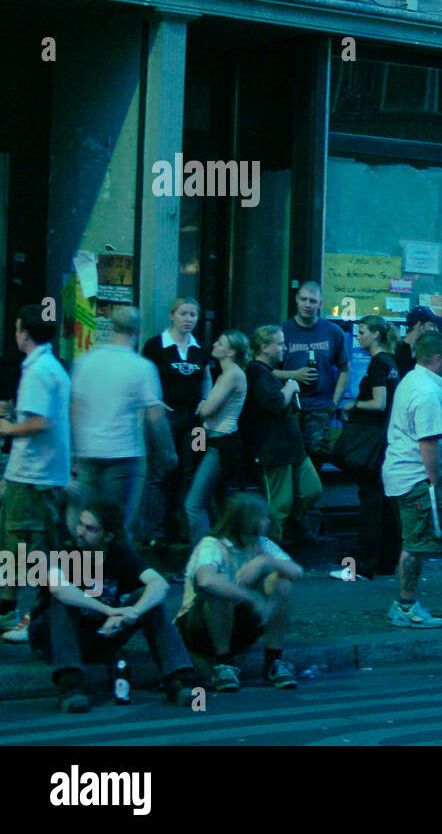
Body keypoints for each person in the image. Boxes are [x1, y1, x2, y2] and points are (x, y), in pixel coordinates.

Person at [28, 499, 198, 712]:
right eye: (80, 523)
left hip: (105, 632)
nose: (80, 531)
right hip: (60, 638)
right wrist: (110, 611)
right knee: (61, 602)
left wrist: (131, 613)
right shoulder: (62, 549)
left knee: (149, 600)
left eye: (90, 528)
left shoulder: (120, 552)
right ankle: (71, 688)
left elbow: (159, 584)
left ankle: (179, 680)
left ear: (107, 536)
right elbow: (59, 589)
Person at [174, 492, 303, 691]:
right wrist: (252, 599)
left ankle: (273, 660)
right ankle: (223, 663)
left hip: (240, 624)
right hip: (199, 628)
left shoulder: (262, 544)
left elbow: (297, 572)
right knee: (221, 590)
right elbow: (206, 580)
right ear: (249, 521)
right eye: (263, 517)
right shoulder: (212, 545)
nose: (268, 521)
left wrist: (264, 561)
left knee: (282, 581)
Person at [70, 306, 171, 546]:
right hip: (123, 454)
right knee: (115, 522)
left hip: (88, 453)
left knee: (86, 520)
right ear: (137, 330)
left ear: (110, 327)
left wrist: (76, 447)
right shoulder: (142, 367)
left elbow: (75, 408)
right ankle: (111, 575)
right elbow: (155, 415)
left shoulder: (86, 361)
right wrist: (168, 452)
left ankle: (84, 574)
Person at [0, 305, 72, 637]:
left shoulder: (38, 371)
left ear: (24, 333)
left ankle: (34, 616)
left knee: (25, 546)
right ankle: (13, 608)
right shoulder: (49, 367)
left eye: (17, 328)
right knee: (19, 544)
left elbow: (39, 423)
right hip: (39, 472)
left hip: (33, 475)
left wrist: (4, 427)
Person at [382, 332, 442, 629]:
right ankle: (405, 604)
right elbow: (429, 442)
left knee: (415, 542)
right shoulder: (427, 392)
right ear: (437, 358)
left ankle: (407, 602)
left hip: (408, 475)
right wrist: (434, 482)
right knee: (415, 544)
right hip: (418, 478)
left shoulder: (413, 381)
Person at [243, 325, 322, 542]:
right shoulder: (256, 372)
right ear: (263, 347)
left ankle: (294, 521)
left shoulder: (268, 373)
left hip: (293, 448)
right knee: (278, 505)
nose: (283, 348)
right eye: (279, 344)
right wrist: (290, 387)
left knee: (311, 489)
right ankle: (270, 552)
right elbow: (275, 403)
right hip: (273, 450)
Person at [337, 316, 401, 581]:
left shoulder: (378, 363)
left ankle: (361, 567)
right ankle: (386, 562)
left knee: (370, 506)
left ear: (375, 334)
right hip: (384, 442)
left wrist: (353, 405)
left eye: (362, 332)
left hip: (371, 443)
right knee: (384, 505)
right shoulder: (390, 362)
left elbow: (378, 403)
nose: (358, 337)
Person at [140, 297, 209, 545]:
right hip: (164, 418)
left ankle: (179, 529)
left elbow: (206, 377)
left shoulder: (200, 348)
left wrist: (205, 400)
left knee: (188, 471)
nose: (188, 319)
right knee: (160, 471)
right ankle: (152, 531)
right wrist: (154, 403)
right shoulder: (155, 345)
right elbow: (144, 375)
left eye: (193, 315)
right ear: (172, 315)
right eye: (183, 314)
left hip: (194, 422)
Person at [275, 281, 350, 473]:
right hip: (289, 407)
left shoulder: (333, 332)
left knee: (315, 459)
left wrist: (334, 402)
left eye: (313, 301)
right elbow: (267, 371)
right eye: (304, 299)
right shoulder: (282, 331)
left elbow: (344, 369)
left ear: (320, 303)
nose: (308, 304)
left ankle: (309, 501)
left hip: (320, 407)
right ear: (296, 300)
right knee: (288, 459)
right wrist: (294, 375)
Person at [183, 330, 249, 544]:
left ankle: (203, 558)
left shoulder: (233, 375)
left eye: (220, 343)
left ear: (230, 352)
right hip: (209, 437)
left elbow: (206, 410)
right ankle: (227, 552)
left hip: (221, 442)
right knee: (217, 501)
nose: (214, 344)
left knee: (194, 504)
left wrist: (203, 405)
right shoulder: (223, 373)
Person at [394, 306, 442, 378]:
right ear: (419, 325)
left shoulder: (422, 353)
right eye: (432, 326)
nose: (436, 330)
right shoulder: (395, 352)